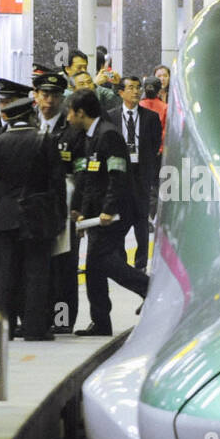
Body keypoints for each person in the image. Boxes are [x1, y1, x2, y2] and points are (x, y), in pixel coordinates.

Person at [0, 96, 64, 341]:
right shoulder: (45, 140)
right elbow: (56, 180)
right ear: (31, 115)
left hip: (5, 214)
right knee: (36, 271)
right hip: (37, 214)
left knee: (7, 271)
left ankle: (3, 326)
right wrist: (59, 214)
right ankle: (34, 327)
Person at [65, 88, 148, 336]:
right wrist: (80, 210)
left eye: (70, 112)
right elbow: (90, 179)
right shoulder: (91, 136)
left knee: (104, 262)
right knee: (95, 267)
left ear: (81, 113)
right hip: (99, 214)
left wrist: (108, 210)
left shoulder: (107, 135)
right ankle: (101, 322)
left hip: (116, 213)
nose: (68, 118)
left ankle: (149, 287)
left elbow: (117, 174)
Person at [35, 74, 82, 331]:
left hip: (65, 204)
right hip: (34, 205)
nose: (49, 101)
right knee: (38, 265)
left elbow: (83, 172)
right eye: (45, 94)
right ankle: (38, 317)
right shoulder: (29, 123)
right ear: (36, 95)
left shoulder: (72, 129)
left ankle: (62, 320)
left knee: (64, 266)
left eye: (54, 95)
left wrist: (81, 209)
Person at [109, 76, 162, 273]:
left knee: (141, 217)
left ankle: (141, 262)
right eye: (130, 88)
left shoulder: (150, 117)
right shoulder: (112, 116)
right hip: (120, 171)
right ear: (121, 92)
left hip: (142, 171)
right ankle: (121, 260)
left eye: (138, 88)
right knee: (121, 216)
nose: (136, 91)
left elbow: (155, 144)